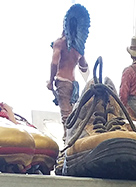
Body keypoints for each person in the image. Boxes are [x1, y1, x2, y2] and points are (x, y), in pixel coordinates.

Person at [48, 4, 90, 142]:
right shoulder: (78, 48)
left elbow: (54, 63)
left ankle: (68, 142)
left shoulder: (59, 43)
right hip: (73, 84)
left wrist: (50, 81)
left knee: (66, 115)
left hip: (62, 82)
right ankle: (71, 140)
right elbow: (84, 67)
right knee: (72, 114)